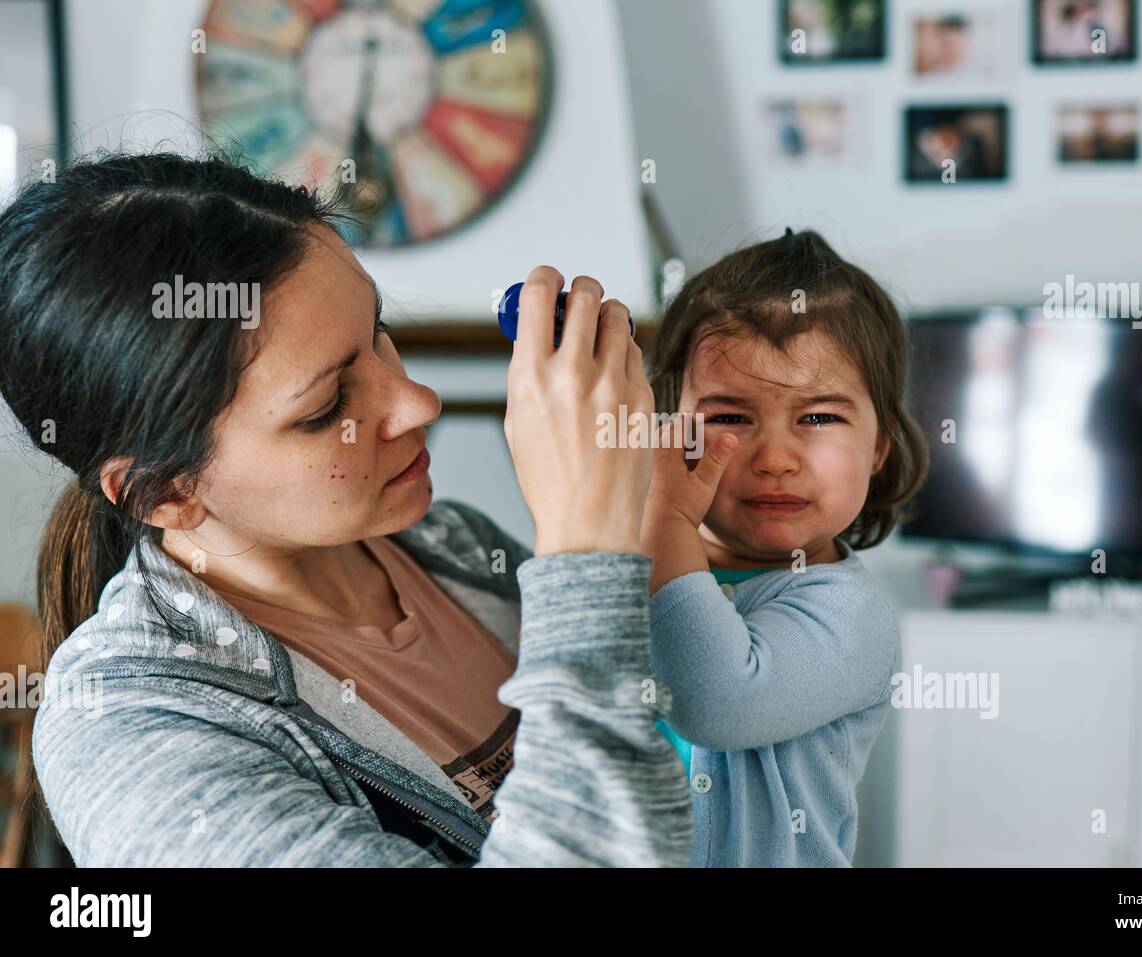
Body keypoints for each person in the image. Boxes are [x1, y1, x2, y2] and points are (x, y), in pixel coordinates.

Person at [0, 151, 690, 866]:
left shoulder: (454, 547)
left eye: (379, 334)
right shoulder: (125, 733)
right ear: (164, 491)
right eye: (327, 407)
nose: (420, 402)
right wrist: (585, 551)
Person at [642, 228, 928, 865]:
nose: (774, 458)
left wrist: (664, 521)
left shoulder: (851, 615)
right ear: (672, 430)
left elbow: (715, 701)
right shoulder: (639, 571)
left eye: (820, 417)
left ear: (879, 445)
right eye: (730, 418)